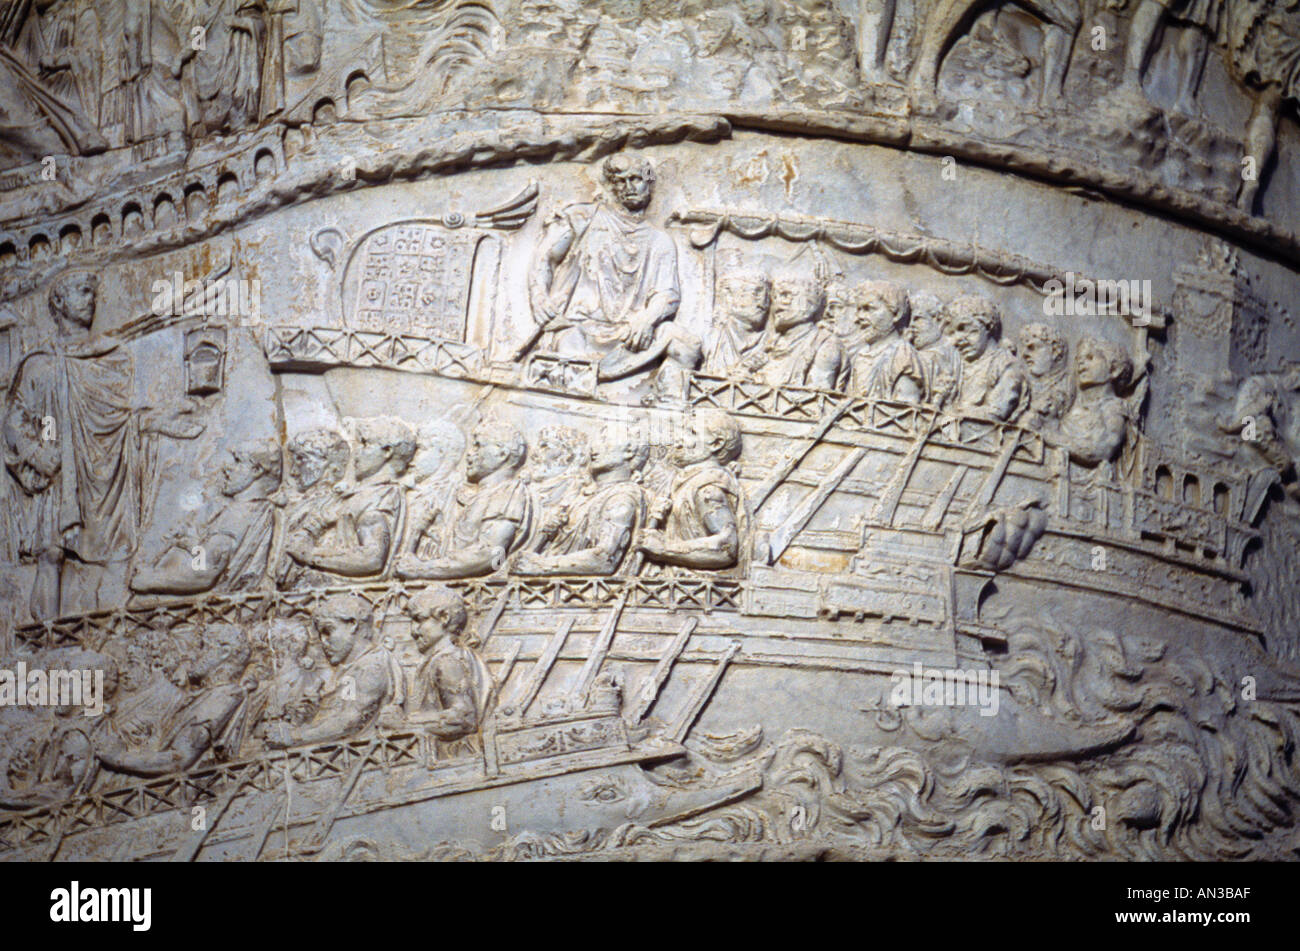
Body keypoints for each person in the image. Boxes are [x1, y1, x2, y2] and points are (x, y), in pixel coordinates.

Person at [2, 270, 202, 619]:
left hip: (103, 466)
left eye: (92, 293)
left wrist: (160, 420)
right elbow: (18, 422)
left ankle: (110, 631)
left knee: (116, 549)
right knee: (50, 553)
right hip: (60, 464)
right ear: (59, 302)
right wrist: (42, 453)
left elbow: (120, 419)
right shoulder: (41, 364)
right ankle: (46, 637)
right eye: (82, 292)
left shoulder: (111, 355)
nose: (91, 300)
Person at [525, 154, 683, 381]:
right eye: (621, 181)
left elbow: (667, 293)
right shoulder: (582, 217)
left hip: (630, 335)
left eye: (636, 179)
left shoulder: (660, 241)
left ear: (648, 183)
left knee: (684, 344)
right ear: (612, 186)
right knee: (569, 357)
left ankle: (667, 399)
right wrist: (538, 296)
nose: (629, 186)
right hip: (577, 328)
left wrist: (646, 320)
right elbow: (545, 259)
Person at [130, 440, 282, 596]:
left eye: (237, 461)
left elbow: (203, 573)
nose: (227, 468)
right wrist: (191, 543)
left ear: (256, 470)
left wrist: (150, 579)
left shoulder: (239, 514)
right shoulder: (261, 508)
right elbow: (211, 559)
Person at [395, 420, 533, 580]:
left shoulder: (508, 492)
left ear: (502, 454)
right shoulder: (474, 492)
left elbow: (492, 556)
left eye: (478, 446)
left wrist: (422, 569)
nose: (469, 453)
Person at [264, 595, 401, 748]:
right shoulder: (353, 668)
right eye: (320, 634)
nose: (323, 642)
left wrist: (293, 736)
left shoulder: (371, 667)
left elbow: (349, 720)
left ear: (352, 625)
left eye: (328, 631)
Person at [515, 428, 649, 576]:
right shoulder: (583, 494)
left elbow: (604, 559)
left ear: (629, 452)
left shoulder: (621, 499)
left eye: (606, 442)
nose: (594, 447)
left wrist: (542, 566)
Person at [637, 409, 745, 572]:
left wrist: (664, 548)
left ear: (716, 444)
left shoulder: (707, 487)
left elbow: (726, 547)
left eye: (691, 432)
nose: (679, 439)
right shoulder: (685, 479)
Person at [402, 586, 493, 756]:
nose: (413, 631)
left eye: (419, 620)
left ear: (444, 617)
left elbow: (463, 718)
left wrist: (405, 722)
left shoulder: (446, 661)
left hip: (455, 758)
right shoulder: (454, 655)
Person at [1046, 336, 1133, 466]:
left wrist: (1056, 439)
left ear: (1114, 370)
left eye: (1090, 358)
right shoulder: (1073, 407)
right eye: (1078, 359)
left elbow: (1105, 449)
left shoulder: (1114, 408)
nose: (1081, 363)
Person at [944, 295, 1029, 423]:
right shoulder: (958, 365)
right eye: (952, 333)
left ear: (987, 325)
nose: (957, 340)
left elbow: (997, 411)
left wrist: (954, 413)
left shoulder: (1006, 364)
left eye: (964, 328)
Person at [839, 280, 925, 402]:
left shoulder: (902, 355)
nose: (859, 317)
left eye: (869, 309)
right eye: (859, 310)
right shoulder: (859, 354)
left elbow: (905, 408)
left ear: (896, 313)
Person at [760, 266, 843, 391]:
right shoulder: (770, 343)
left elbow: (815, 398)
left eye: (786, 295)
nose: (777, 303)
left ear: (811, 302)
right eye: (775, 297)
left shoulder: (825, 344)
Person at [705, 266, 771, 376]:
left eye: (767, 295)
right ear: (728, 296)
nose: (762, 303)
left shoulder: (772, 343)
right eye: (755, 293)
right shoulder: (711, 339)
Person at [905, 291, 960, 407]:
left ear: (938, 320)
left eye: (918, 319)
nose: (911, 326)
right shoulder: (949, 351)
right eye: (909, 320)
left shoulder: (935, 355)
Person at [1017, 322, 1073, 429]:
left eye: (1032, 347)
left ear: (1056, 351)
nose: (1025, 354)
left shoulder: (1064, 386)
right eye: (1024, 348)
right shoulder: (1026, 384)